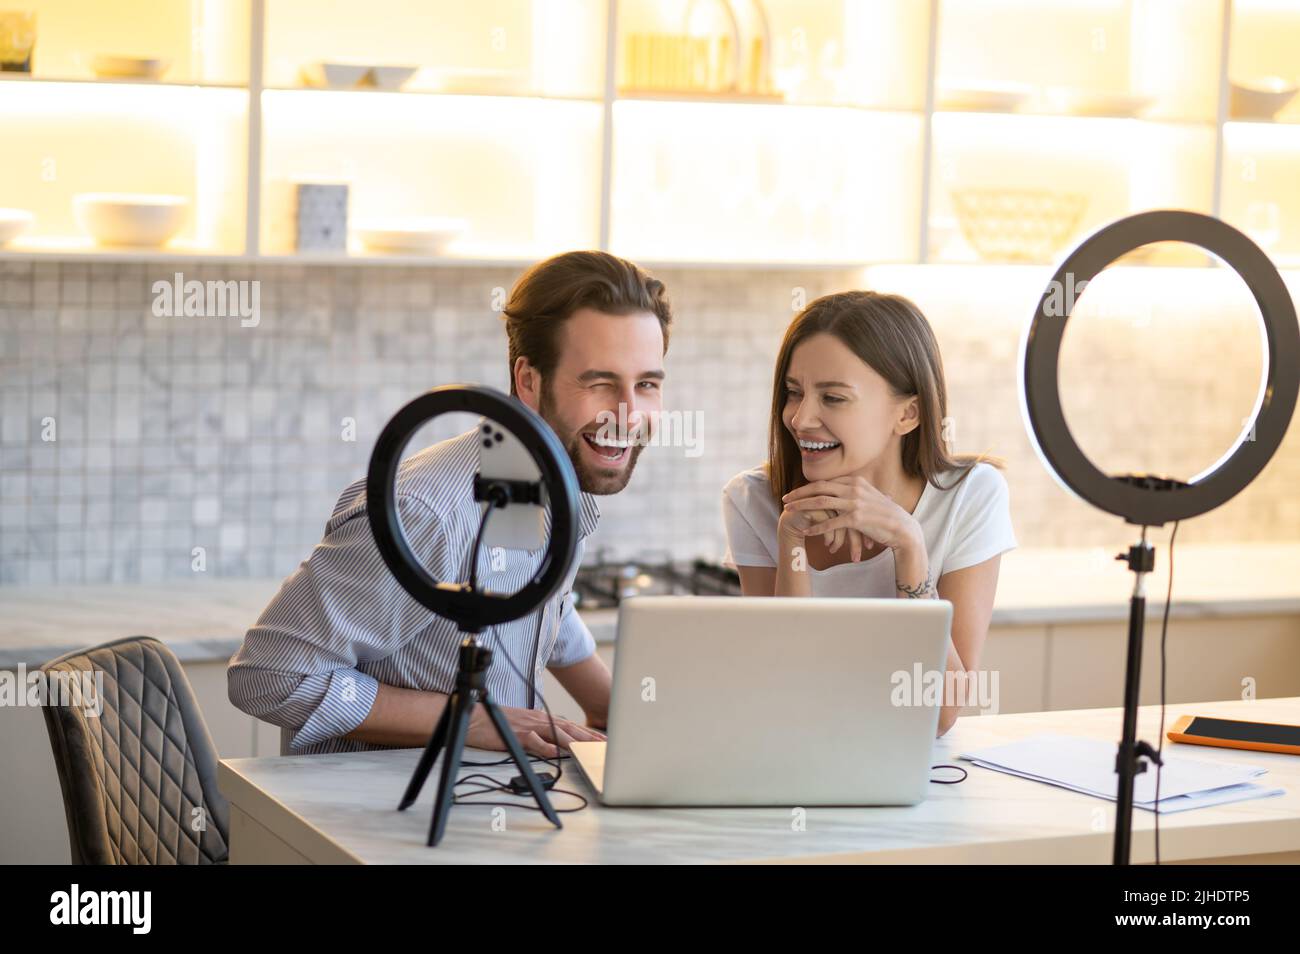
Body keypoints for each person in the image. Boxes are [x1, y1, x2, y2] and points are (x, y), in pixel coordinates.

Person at [228, 251, 672, 756]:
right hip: (373, 822)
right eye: (599, 383)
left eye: (646, 385)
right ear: (529, 380)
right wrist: (473, 721)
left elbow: (533, 598)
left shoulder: (522, 479)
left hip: (484, 804)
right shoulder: (426, 513)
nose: (628, 415)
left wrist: (617, 707)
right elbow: (268, 673)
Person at [721, 290, 1016, 736]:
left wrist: (910, 545)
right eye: (794, 393)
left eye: (833, 398)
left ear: (909, 414)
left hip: (920, 775)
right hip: (795, 763)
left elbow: (938, 715)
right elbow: (784, 696)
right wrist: (792, 543)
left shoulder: (971, 496)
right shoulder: (753, 501)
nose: (800, 419)